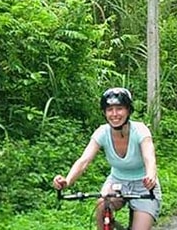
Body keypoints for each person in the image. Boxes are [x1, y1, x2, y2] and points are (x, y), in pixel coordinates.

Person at [53, 87, 160, 230]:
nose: (114, 114)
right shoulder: (102, 132)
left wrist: (151, 176)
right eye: (110, 109)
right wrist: (67, 181)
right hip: (117, 181)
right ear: (104, 113)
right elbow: (84, 160)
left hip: (144, 184)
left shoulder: (140, 130)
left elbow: (149, 158)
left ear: (128, 110)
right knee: (102, 205)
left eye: (119, 108)